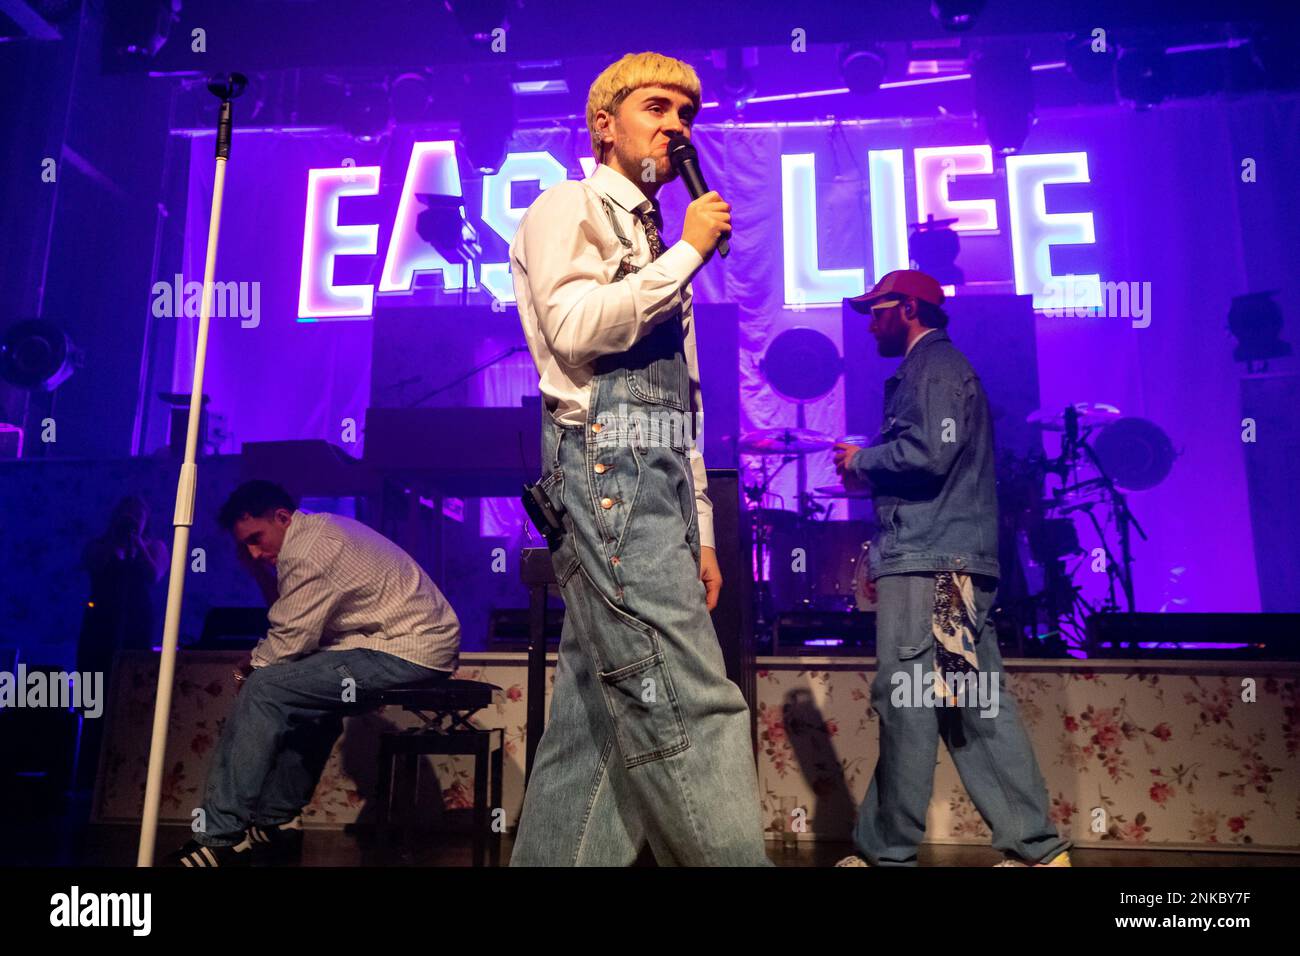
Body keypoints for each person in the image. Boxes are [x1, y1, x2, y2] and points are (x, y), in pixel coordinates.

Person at [508, 51, 768, 865]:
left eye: (687, 114)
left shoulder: (662, 238)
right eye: (658, 108)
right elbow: (578, 331)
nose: (677, 127)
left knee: (595, 729)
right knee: (692, 698)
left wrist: (701, 529)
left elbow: (680, 400)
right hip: (600, 470)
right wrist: (687, 254)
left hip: (651, 481)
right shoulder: (567, 205)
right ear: (605, 125)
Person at [831, 270, 1071, 868]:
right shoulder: (936, 367)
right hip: (944, 561)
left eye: (878, 310)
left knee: (912, 701)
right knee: (966, 702)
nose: (870, 322)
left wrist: (864, 460)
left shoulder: (933, 368)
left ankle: (889, 855)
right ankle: (1037, 852)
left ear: (909, 309)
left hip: (935, 564)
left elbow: (930, 454)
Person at [165, 480, 461, 866]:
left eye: (256, 538)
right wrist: (258, 581)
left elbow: (289, 638)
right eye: (245, 545)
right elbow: (290, 619)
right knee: (304, 699)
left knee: (264, 689)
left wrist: (252, 671)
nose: (254, 551)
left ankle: (221, 838)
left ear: (282, 517)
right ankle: (275, 824)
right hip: (392, 646)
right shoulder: (312, 535)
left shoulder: (309, 550)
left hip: (410, 650)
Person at [75, 495, 168, 789]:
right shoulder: (100, 545)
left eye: (137, 515)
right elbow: (94, 565)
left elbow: (154, 575)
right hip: (100, 622)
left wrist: (137, 543)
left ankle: (126, 771)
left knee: (132, 686)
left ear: (146, 519)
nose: (131, 518)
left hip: (137, 622)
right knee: (94, 689)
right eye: (126, 514)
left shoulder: (154, 546)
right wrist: (116, 543)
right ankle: (87, 768)